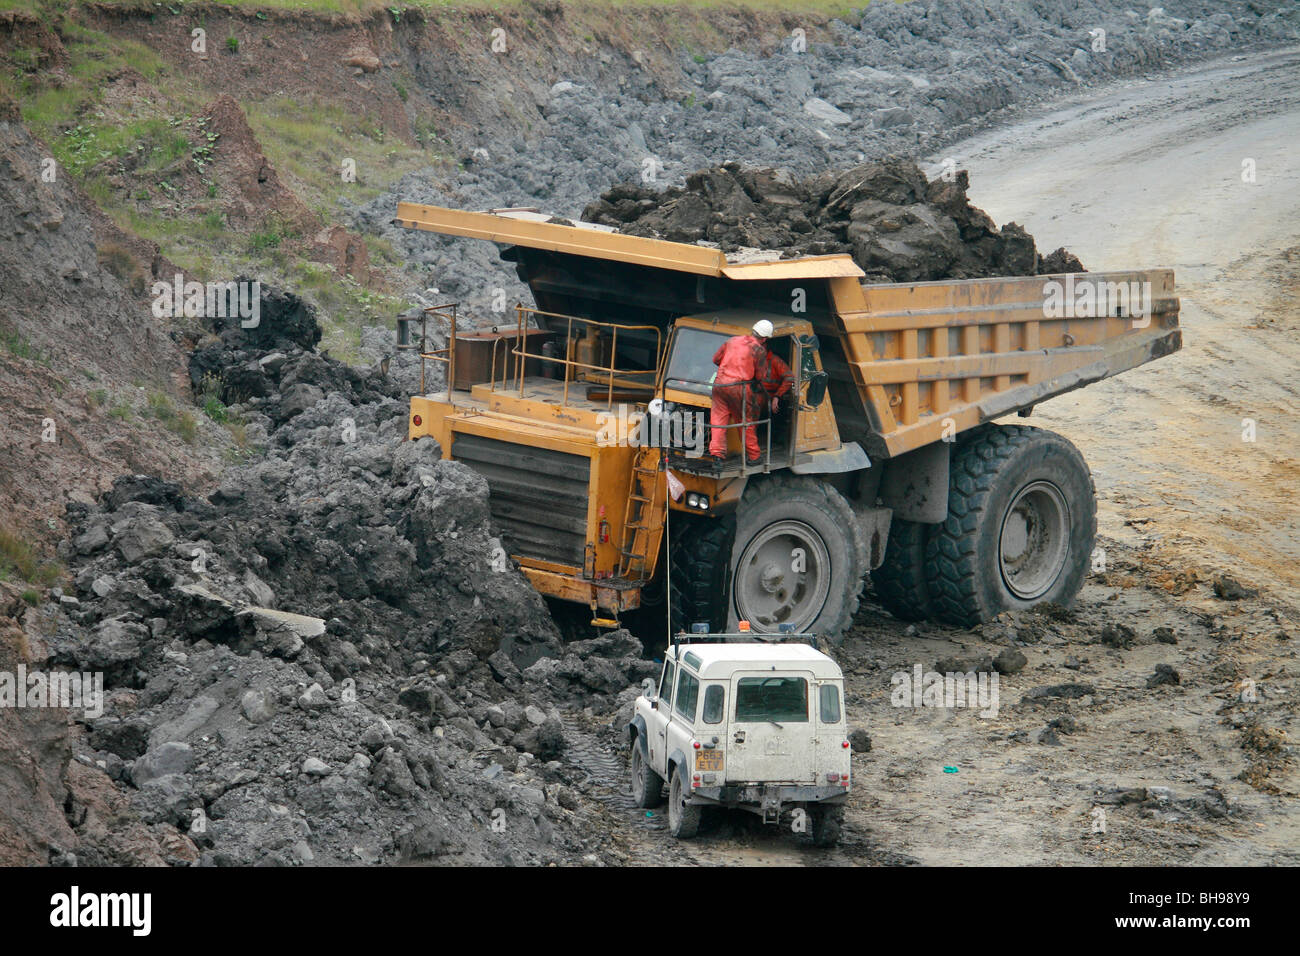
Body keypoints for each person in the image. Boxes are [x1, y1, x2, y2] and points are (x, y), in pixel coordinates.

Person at [709, 319, 792, 465]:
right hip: (739, 387)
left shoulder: (732, 340)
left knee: (718, 421)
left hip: (719, 385)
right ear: (765, 338)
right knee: (745, 422)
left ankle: (717, 456)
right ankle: (754, 456)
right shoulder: (758, 350)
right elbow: (759, 376)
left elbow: (716, 359)